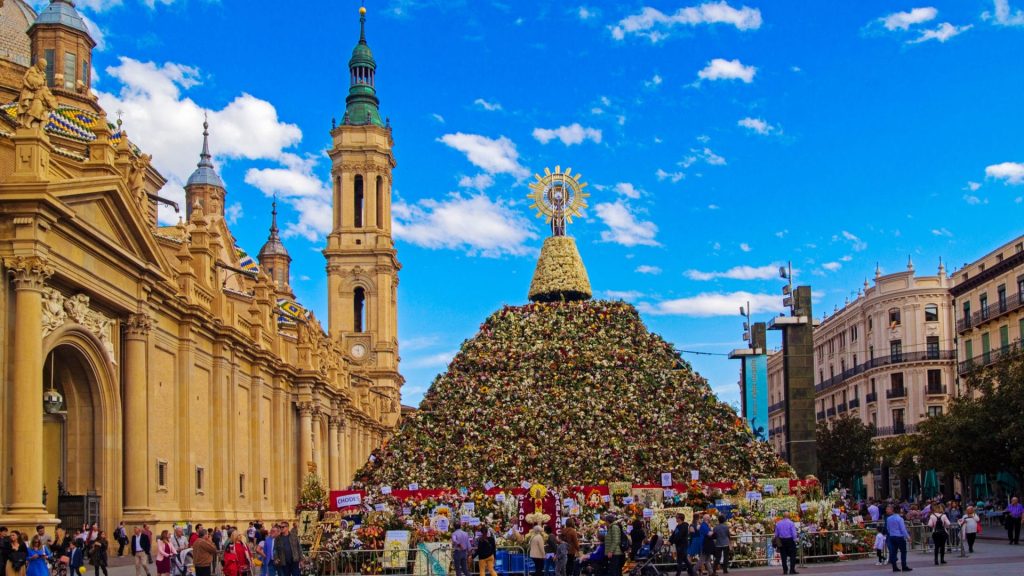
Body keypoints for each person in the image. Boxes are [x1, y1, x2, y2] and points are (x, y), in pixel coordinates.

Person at [885, 505, 911, 573]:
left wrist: (891, 533)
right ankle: (904, 566)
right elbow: (903, 529)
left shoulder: (888, 518)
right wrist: (908, 537)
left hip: (892, 537)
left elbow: (888, 528)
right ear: (899, 511)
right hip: (899, 537)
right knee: (903, 552)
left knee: (894, 552)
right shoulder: (900, 519)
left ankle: (894, 567)